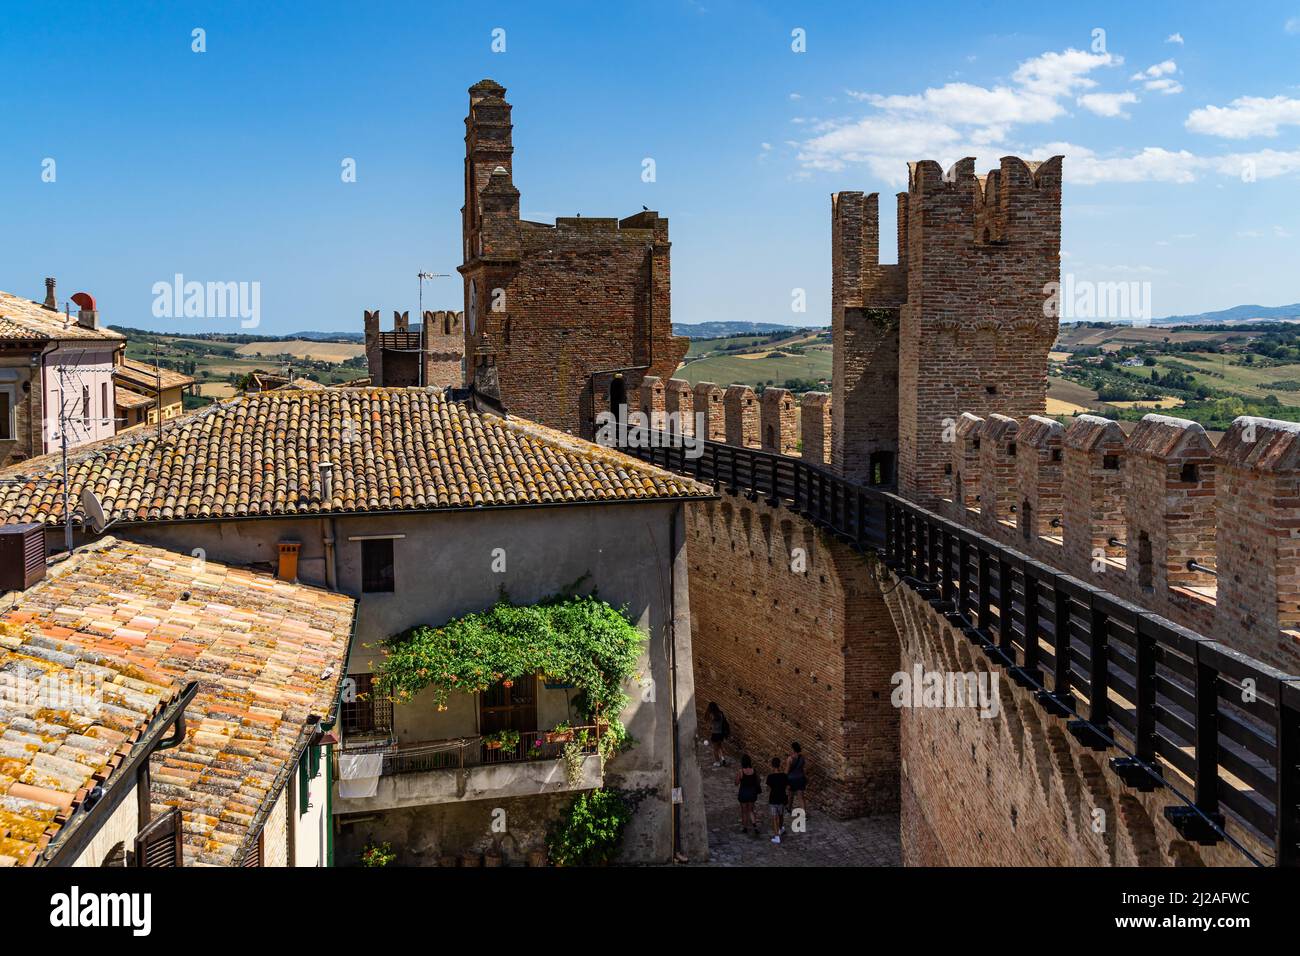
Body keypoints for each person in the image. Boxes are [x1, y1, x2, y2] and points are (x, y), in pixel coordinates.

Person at [735, 754, 761, 834]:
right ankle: (755, 826)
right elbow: (759, 780)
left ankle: (745, 827)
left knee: (744, 811)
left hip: (743, 793)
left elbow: (736, 783)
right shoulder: (754, 770)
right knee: (751, 810)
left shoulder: (741, 771)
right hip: (752, 793)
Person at [766, 756, 788, 844]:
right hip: (781, 798)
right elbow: (787, 786)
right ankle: (780, 829)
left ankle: (777, 836)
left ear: (772, 765)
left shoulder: (770, 777)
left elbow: (768, 789)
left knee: (774, 818)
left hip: (773, 799)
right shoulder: (784, 776)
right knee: (781, 815)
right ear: (779, 765)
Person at [785, 742, 808, 818]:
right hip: (800, 778)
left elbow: (787, 771)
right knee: (801, 798)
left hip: (792, 779)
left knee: (790, 795)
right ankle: (804, 815)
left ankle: (788, 809)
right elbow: (802, 768)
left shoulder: (790, 759)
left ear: (793, 749)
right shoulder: (802, 758)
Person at [705, 702, 729, 767]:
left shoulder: (712, 715)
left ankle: (717, 762)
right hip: (721, 733)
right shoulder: (721, 713)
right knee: (720, 747)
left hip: (715, 734)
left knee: (715, 749)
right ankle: (723, 759)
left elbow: (711, 725)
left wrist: (710, 728)